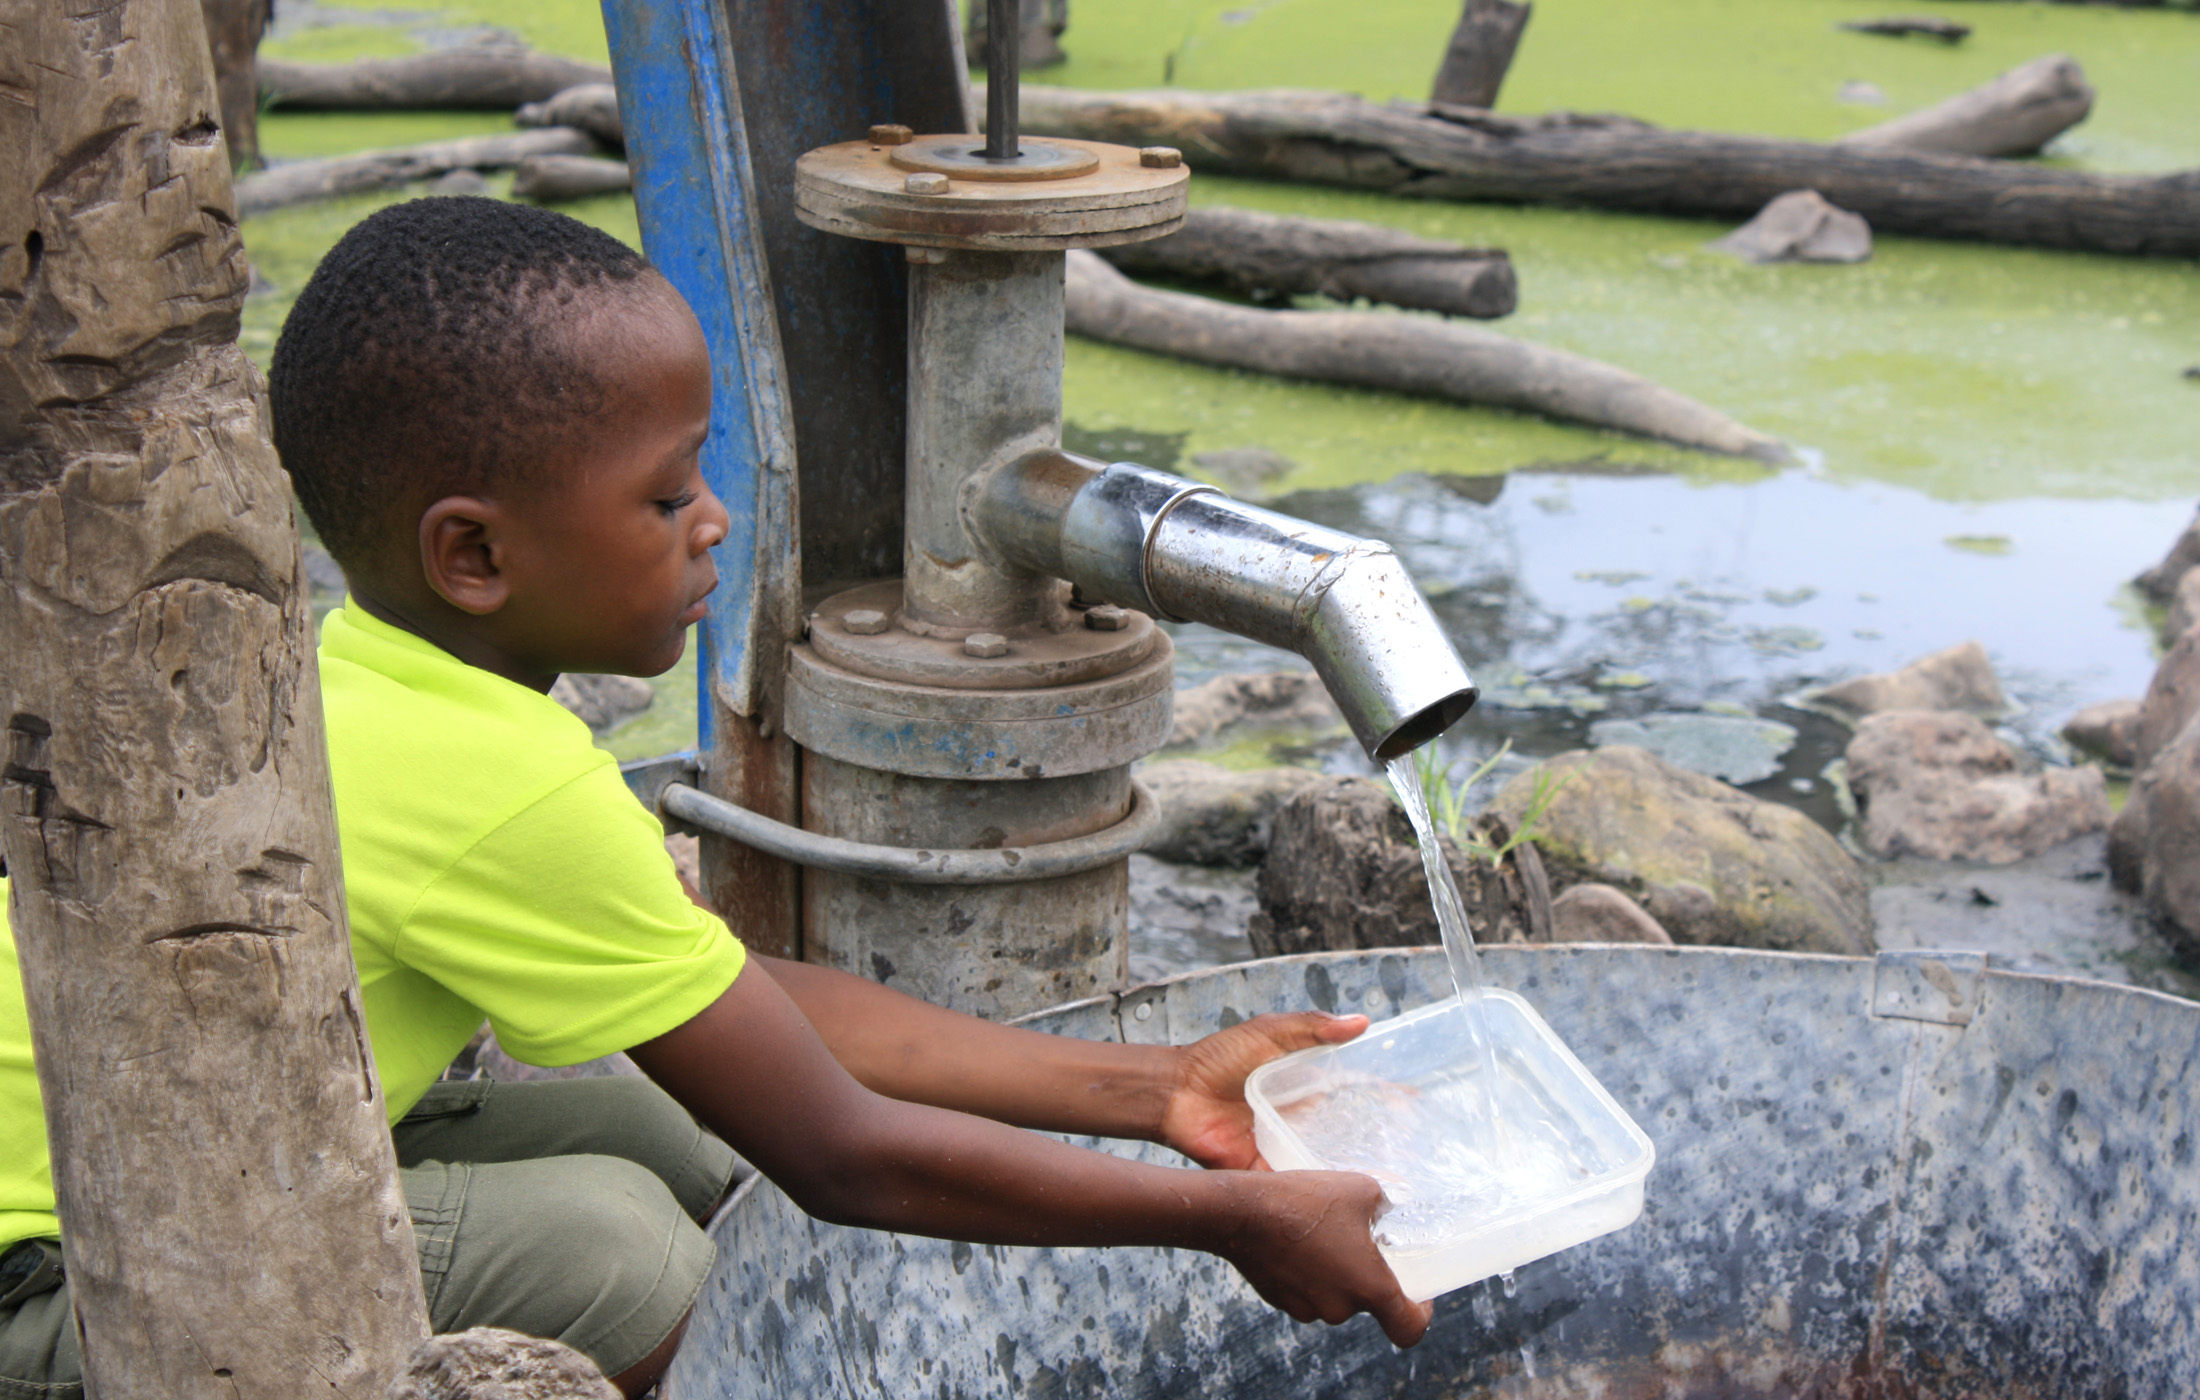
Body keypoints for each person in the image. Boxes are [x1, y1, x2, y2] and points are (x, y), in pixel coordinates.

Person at [0, 197, 1428, 1399]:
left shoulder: (382, 675)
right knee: (615, 1251)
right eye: (666, 493)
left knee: (670, 1132)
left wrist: (1157, 1086)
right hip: (68, 1273)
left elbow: (751, 1000)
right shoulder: (499, 785)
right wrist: (1228, 1222)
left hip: (191, 1152)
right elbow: (839, 1152)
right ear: (475, 557)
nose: (717, 518)